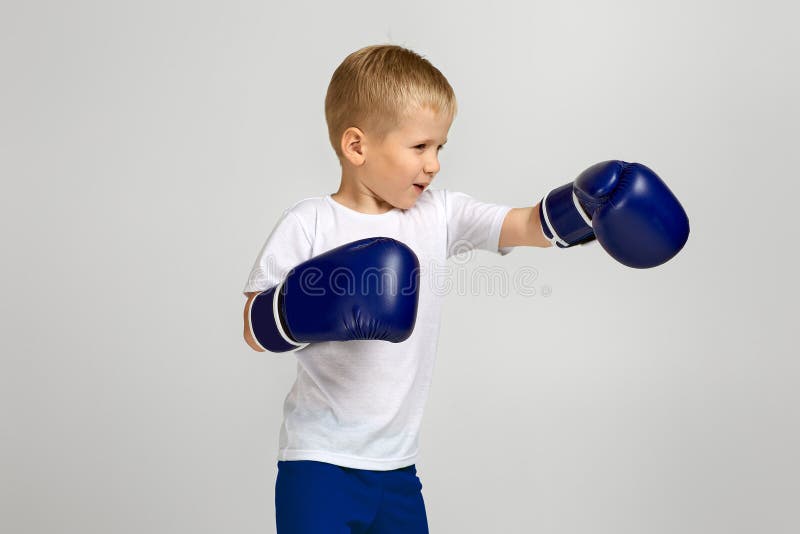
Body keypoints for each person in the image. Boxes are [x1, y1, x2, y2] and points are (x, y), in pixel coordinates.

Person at [241, 44, 688, 534]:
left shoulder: (439, 213)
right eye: (419, 148)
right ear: (357, 146)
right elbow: (253, 324)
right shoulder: (310, 223)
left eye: (440, 148)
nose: (433, 165)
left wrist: (587, 207)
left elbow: (520, 224)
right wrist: (313, 304)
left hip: (397, 468)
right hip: (318, 462)